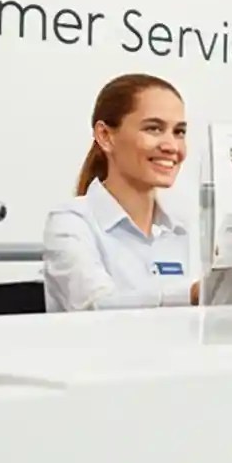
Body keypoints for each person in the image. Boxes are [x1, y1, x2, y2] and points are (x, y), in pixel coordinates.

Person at [42, 73, 201, 312]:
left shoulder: (186, 226)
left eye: (179, 132)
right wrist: (190, 294)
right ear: (105, 136)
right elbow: (94, 305)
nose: (171, 146)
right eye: (154, 129)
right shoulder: (70, 223)